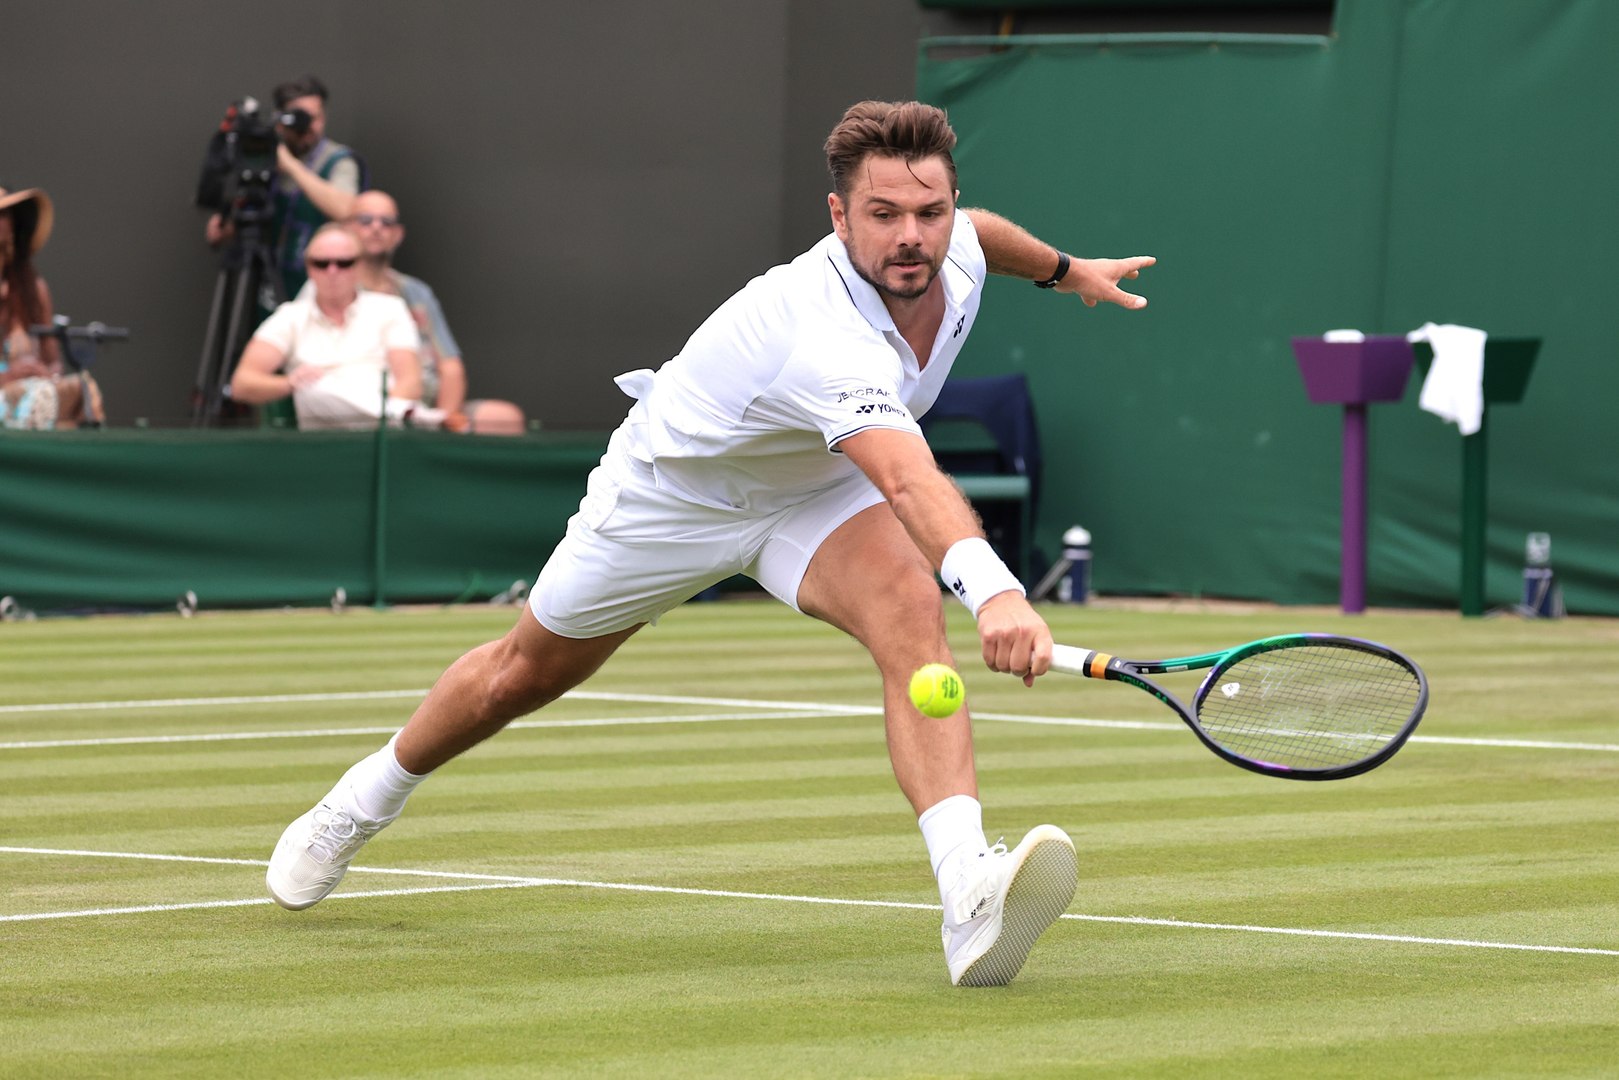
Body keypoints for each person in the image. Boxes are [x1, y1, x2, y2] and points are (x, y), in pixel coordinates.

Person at [265, 101, 1154, 987]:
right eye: (882, 216)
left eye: (930, 212)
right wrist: (996, 593)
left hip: (813, 491)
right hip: (675, 494)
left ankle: (967, 892)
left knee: (909, 611)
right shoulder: (819, 333)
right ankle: (358, 804)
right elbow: (908, 481)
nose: (911, 236)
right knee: (520, 674)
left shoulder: (952, 244)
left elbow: (988, 237)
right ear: (838, 216)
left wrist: (1066, 271)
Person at [229, 223, 461, 431]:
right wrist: (289, 383)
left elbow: (410, 382)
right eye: (322, 263)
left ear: (359, 266)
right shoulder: (291, 316)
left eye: (344, 263)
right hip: (325, 427)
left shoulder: (389, 308)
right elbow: (242, 383)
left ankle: (394, 414)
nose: (333, 272)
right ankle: (412, 416)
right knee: (312, 391)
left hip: (383, 430)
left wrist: (379, 415)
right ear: (309, 268)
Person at [344, 190, 526, 434]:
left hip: (429, 404)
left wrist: (443, 420)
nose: (376, 228)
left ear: (398, 234)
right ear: (347, 229)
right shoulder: (336, 289)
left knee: (504, 418)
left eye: (386, 222)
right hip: (371, 407)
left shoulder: (416, 292)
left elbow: (450, 366)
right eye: (366, 220)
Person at [205, 75, 367, 302]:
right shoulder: (264, 159)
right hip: (267, 283)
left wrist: (290, 165)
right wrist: (227, 227)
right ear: (281, 119)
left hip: (320, 285)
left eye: (317, 117)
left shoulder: (338, 161)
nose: (310, 126)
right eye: (300, 118)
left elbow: (346, 210)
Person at [1, 185, 103, 429]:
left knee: (84, 389)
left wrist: (42, 371)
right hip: (10, 396)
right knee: (36, 397)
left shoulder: (32, 290)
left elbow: (52, 361)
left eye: (5, 214)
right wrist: (9, 376)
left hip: (32, 394)